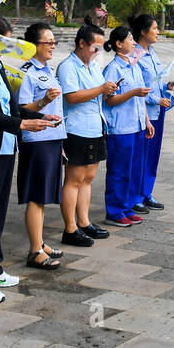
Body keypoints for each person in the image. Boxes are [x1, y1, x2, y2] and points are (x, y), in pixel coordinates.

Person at [0, 13, 60, 303]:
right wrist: (20, 124)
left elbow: (9, 107)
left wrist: (39, 115)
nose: (7, 47)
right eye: (2, 40)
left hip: (6, 148)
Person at [56, 20, 118, 246]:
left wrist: (108, 89)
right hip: (76, 128)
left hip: (95, 126)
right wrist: (101, 89)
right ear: (82, 43)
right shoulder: (68, 66)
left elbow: (98, 92)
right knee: (74, 179)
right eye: (95, 48)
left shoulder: (92, 65)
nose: (97, 52)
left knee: (89, 178)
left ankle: (84, 222)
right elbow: (71, 97)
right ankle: (70, 228)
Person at [15, 22, 68, 270]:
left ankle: (40, 241)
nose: (52, 46)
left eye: (53, 42)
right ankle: (35, 250)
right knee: (36, 196)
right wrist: (44, 100)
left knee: (44, 195)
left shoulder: (48, 69)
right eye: (48, 42)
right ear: (33, 45)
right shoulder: (26, 71)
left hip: (52, 138)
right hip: (36, 139)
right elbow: (22, 109)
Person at [130, 13, 174, 211]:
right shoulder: (134, 55)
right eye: (154, 28)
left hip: (157, 111)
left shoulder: (152, 53)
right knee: (140, 155)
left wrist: (169, 85)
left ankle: (146, 193)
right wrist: (155, 98)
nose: (157, 32)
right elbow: (133, 87)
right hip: (143, 113)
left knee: (152, 155)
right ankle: (134, 196)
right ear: (143, 32)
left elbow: (155, 82)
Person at [102, 25, 153, 227]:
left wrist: (147, 121)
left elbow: (141, 99)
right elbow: (109, 100)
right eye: (129, 39)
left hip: (137, 125)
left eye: (133, 38)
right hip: (121, 128)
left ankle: (127, 206)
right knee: (118, 170)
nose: (133, 42)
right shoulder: (113, 69)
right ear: (118, 44)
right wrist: (133, 93)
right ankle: (114, 211)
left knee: (133, 169)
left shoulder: (134, 66)